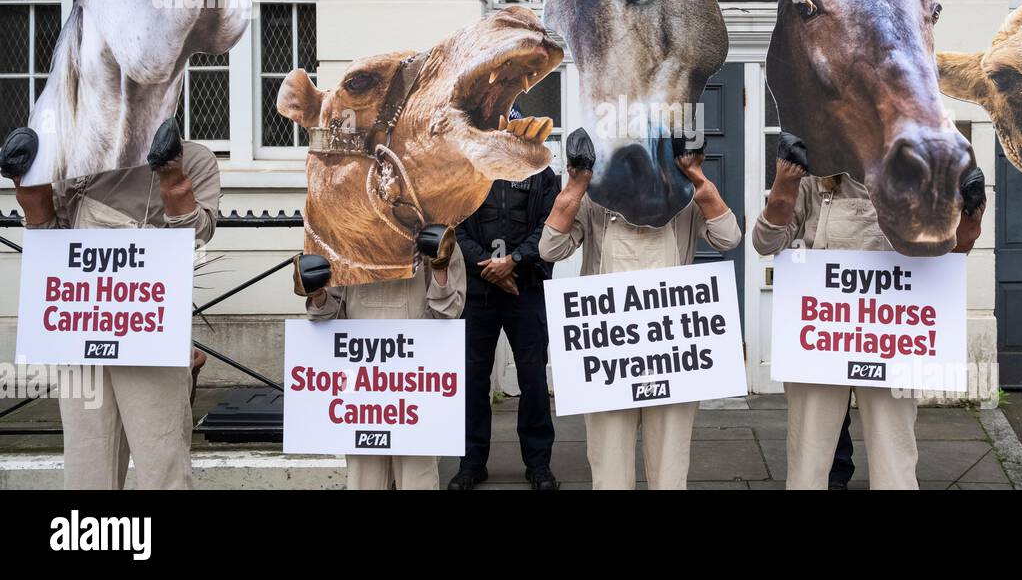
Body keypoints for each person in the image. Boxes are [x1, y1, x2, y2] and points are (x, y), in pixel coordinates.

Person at [752, 134, 985, 490]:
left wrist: (969, 220)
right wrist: (785, 183)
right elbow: (765, 242)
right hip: (821, 337)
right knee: (808, 461)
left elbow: (949, 257)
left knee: (895, 459)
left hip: (892, 338)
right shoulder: (818, 178)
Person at [5, 120, 217, 490]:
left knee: (161, 453)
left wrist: (173, 179)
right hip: (81, 328)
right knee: (86, 455)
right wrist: (31, 191)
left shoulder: (194, 159)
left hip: (149, 333)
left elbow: (192, 237)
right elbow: (52, 242)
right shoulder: (76, 161)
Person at [539, 129, 742, 490]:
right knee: (609, 471)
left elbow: (729, 237)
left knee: (670, 468)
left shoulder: (682, 198)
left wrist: (696, 175)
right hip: (608, 357)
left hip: (672, 355)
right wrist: (575, 184)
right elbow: (550, 249)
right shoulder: (596, 198)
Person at [295, 225, 466, 490]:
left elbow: (448, 315)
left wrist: (440, 268)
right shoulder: (343, 235)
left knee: (417, 478)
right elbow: (328, 317)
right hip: (360, 382)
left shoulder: (438, 231)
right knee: (365, 478)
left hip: (417, 381)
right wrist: (316, 293)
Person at [448, 111, 560, 491]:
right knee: (472, 379)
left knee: (532, 378)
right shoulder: (467, 171)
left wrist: (514, 262)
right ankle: (471, 463)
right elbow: (455, 226)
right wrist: (486, 267)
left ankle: (538, 464)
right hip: (478, 293)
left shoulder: (540, 171)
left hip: (525, 289)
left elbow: (551, 223)